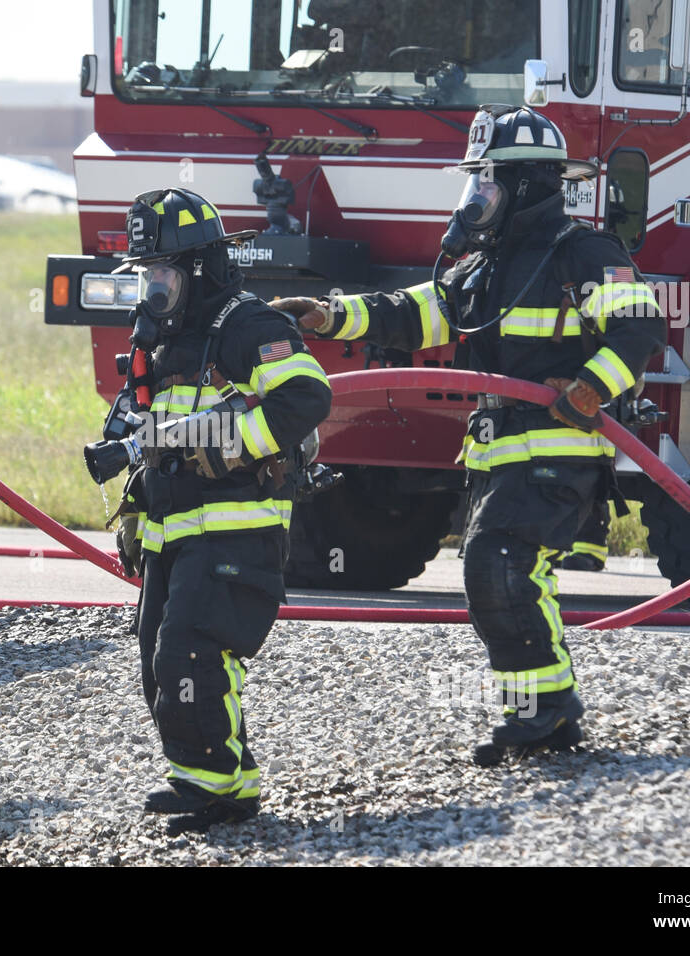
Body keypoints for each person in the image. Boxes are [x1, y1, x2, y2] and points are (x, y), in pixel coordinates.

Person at [273, 106, 666, 763]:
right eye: (475, 183)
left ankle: (546, 716)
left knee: (500, 567)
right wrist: (330, 314)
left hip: (556, 452)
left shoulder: (583, 254)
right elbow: (414, 312)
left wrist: (592, 387)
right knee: (498, 575)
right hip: (498, 455)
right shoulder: (483, 269)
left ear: (528, 186)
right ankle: (543, 717)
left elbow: (640, 329)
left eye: (488, 183)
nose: (476, 198)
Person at [109, 187, 331, 834]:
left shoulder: (247, 326)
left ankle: (218, 796)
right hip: (172, 531)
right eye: (146, 275)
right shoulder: (163, 341)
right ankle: (218, 782)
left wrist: (227, 449)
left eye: (163, 274)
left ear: (198, 267)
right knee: (159, 658)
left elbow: (304, 401)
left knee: (192, 653)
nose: (153, 289)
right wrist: (131, 511)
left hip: (239, 526)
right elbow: (145, 431)